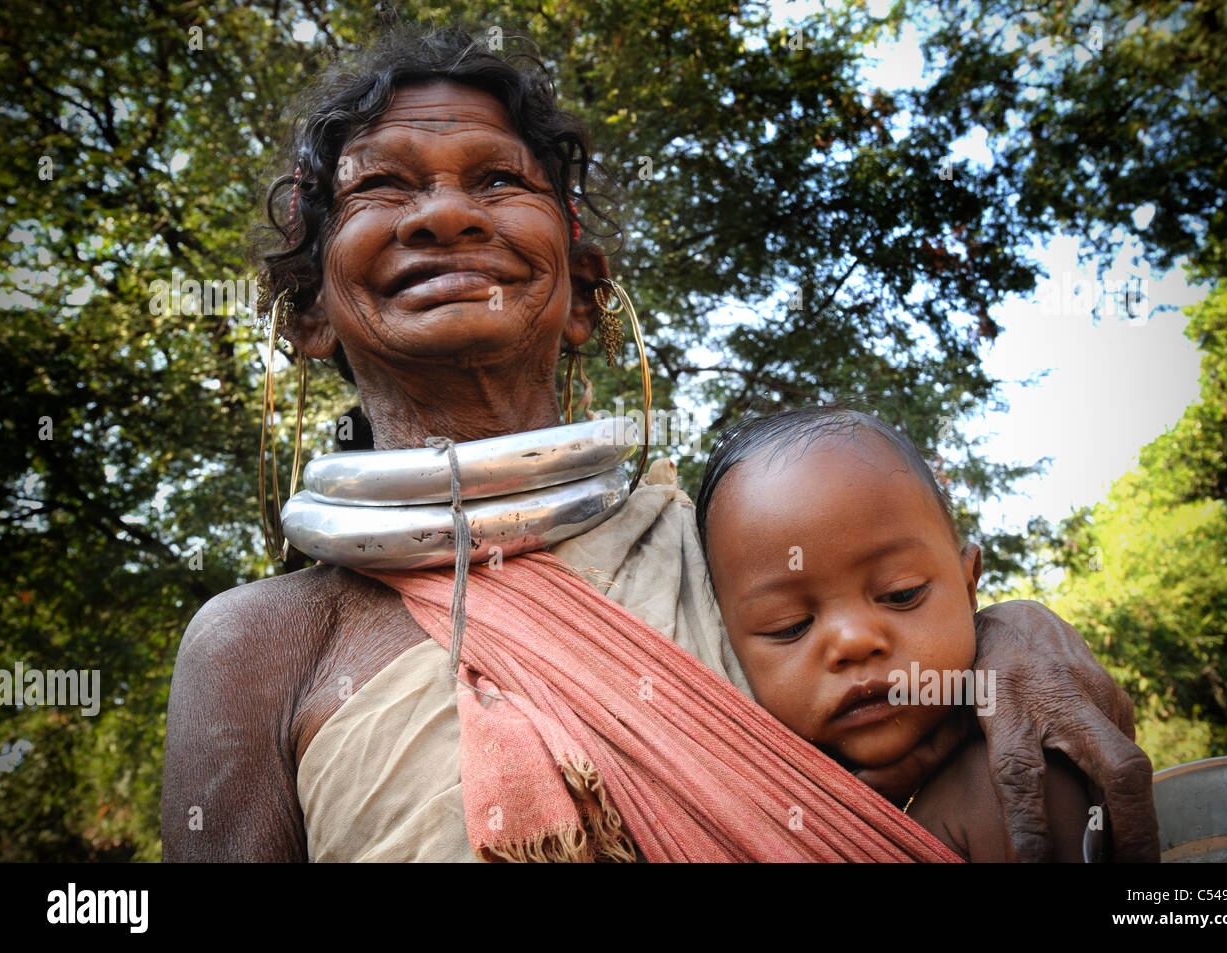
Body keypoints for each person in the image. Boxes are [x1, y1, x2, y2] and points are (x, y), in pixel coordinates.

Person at [160, 25, 1158, 862]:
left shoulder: (725, 554)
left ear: (585, 292)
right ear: (310, 317)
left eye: (499, 179)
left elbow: (888, 624)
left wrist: (1012, 634)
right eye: (382, 186)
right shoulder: (262, 646)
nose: (449, 213)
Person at [695, 406, 1129, 861]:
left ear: (969, 586)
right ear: (726, 650)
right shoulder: (738, 798)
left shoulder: (1012, 786)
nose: (853, 641)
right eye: (790, 625)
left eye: (901, 594)